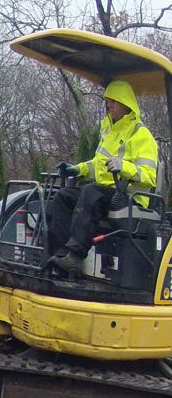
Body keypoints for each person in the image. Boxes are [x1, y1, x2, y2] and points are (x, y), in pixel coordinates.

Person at [45, 78, 158, 274]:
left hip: (129, 197)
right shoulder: (109, 131)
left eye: (113, 101)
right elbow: (98, 165)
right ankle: (60, 254)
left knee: (91, 192)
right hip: (106, 194)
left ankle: (75, 256)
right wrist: (77, 169)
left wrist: (124, 167)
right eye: (107, 101)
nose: (109, 105)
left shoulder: (142, 135)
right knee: (64, 196)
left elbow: (150, 176)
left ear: (125, 104)